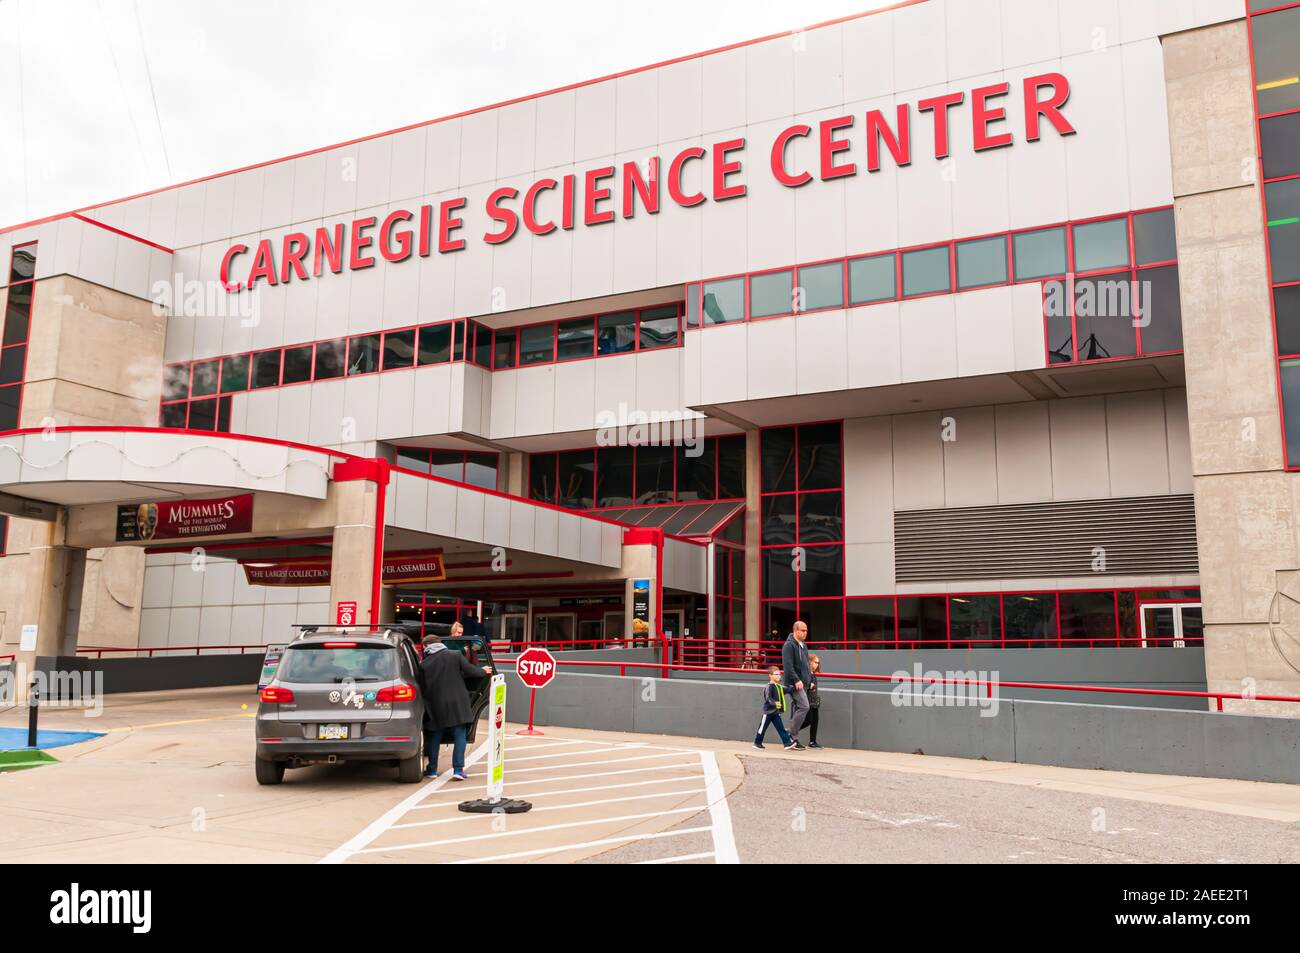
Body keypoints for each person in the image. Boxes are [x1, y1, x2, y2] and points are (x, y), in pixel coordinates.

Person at [418, 632, 493, 781]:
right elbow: (470, 671)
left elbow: (421, 685)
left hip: (435, 704)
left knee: (434, 736)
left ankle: (432, 769)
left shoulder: (424, 665)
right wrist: (483, 671)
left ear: (427, 646)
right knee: (460, 735)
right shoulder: (455, 655)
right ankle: (458, 770)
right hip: (457, 702)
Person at [781, 620, 811, 750]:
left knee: (797, 708)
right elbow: (788, 666)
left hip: (803, 682)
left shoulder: (803, 645)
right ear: (795, 630)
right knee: (805, 706)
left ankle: (793, 739)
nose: (805, 633)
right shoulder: (789, 646)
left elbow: (805, 665)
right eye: (802, 630)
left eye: (806, 631)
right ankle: (790, 734)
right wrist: (797, 680)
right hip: (793, 683)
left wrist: (808, 680)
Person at [753, 666, 797, 751]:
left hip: (776, 713)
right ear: (770, 675)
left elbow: (787, 690)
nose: (778, 676)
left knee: (781, 728)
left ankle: (787, 743)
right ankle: (757, 742)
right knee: (762, 728)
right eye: (776, 674)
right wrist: (774, 703)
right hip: (768, 712)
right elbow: (768, 698)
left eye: (779, 674)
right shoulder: (769, 687)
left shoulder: (779, 687)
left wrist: (795, 686)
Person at [804, 653, 824, 749]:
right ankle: (791, 731)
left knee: (815, 721)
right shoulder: (806, 674)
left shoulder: (813, 674)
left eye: (818, 663)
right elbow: (803, 686)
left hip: (814, 701)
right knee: (808, 720)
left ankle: (812, 741)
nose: (817, 664)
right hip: (807, 700)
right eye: (815, 662)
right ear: (810, 662)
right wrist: (809, 685)